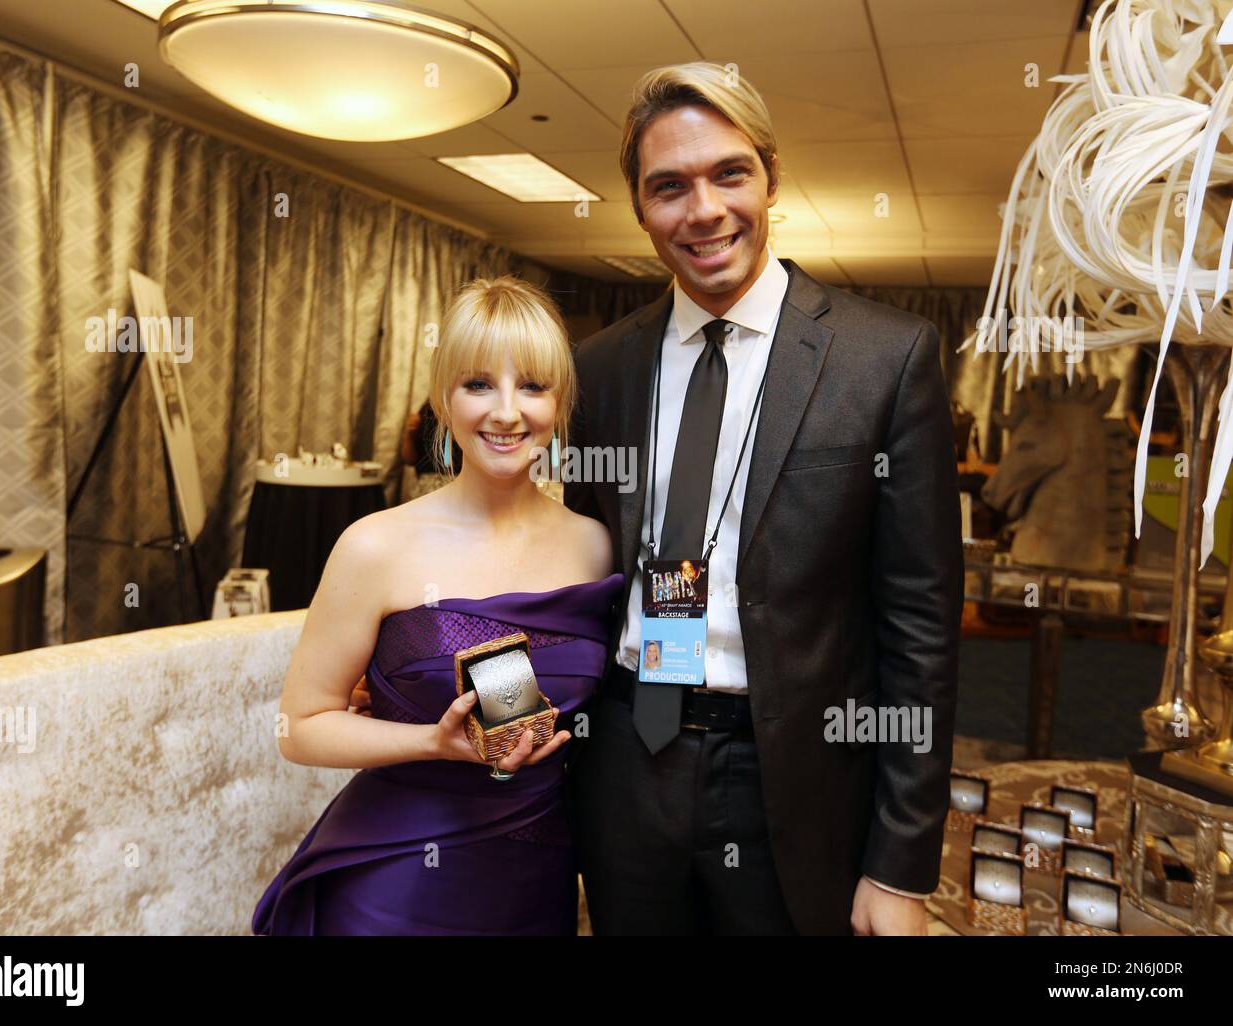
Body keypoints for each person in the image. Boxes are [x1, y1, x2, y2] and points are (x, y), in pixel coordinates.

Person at [563, 62, 963, 936]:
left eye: (728, 174)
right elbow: (571, 572)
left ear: (770, 177)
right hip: (629, 760)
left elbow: (921, 631)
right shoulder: (600, 369)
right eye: (669, 187)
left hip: (794, 775)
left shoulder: (884, 360)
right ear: (639, 208)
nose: (703, 210)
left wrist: (901, 864)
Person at [253, 275, 619, 935]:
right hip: (398, 882)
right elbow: (300, 728)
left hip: (535, 877)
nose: (506, 413)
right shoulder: (375, 546)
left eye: (532, 386)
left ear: (560, 403)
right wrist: (434, 741)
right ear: (442, 399)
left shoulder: (595, 546)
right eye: (478, 384)